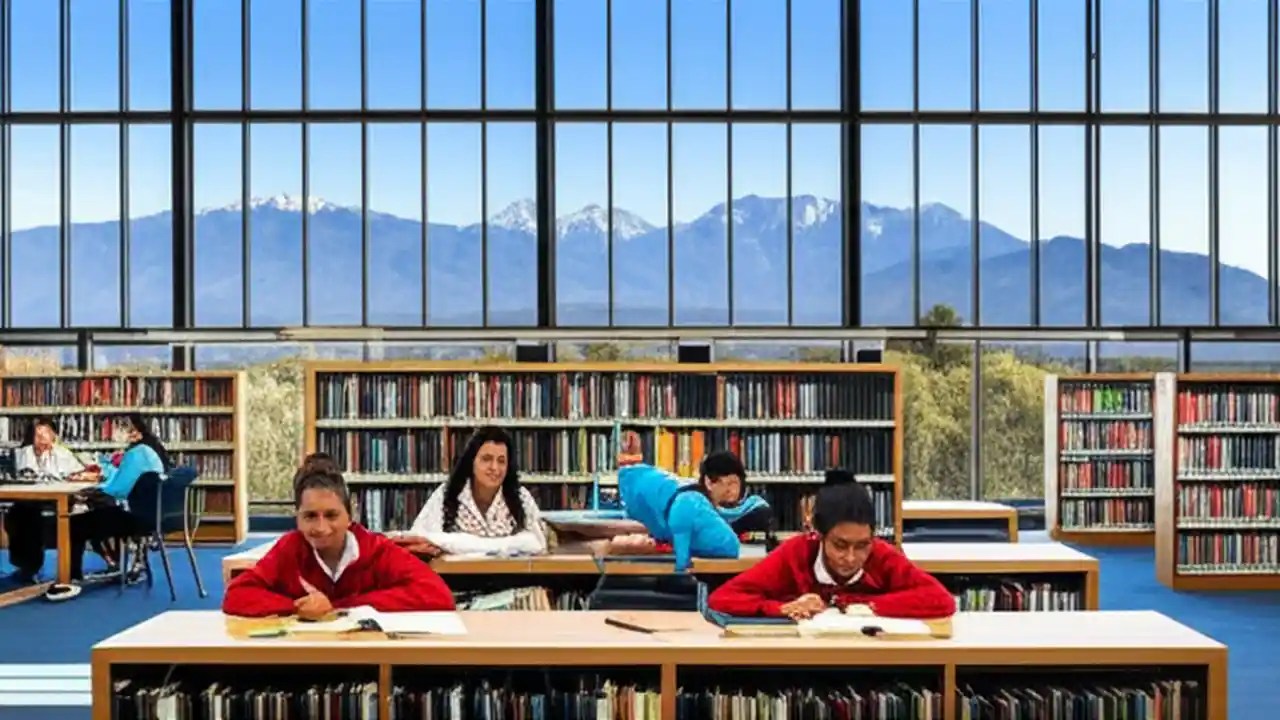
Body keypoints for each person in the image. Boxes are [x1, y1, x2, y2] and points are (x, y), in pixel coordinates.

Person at [707, 476, 956, 620]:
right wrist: (782, 608)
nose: (850, 558)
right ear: (818, 535)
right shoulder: (796, 554)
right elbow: (722, 599)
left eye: (862, 546)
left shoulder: (882, 554)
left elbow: (942, 601)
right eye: (840, 545)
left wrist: (864, 605)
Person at [222, 465, 455, 617]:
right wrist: (295, 607)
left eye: (332, 515)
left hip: (365, 657)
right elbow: (236, 595)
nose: (321, 528)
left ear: (349, 516)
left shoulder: (377, 549)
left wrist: (340, 606)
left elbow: (438, 595)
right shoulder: (290, 548)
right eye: (310, 516)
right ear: (297, 518)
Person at [44, 413, 170, 601]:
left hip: (136, 518)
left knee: (74, 524)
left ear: (132, 432)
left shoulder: (136, 453)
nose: (113, 434)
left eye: (118, 430)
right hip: (151, 514)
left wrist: (93, 485)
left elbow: (117, 489)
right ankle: (106, 564)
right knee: (96, 513)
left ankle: (70, 577)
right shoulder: (150, 449)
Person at [614, 430, 772, 572]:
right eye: (729, 483)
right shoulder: (690, 499)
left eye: (736, 484)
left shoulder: (689, 498)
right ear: (710, 482)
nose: (732, 492)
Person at [394, 427, 548, 557]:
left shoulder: (521, 497)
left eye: (501, 461)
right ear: (472, 462)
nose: (494, 468)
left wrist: (456, 544)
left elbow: (539, 544)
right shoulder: (447, 493)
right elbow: (418, 539)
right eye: (486, 459)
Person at [5, 418, 98, 583]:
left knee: (77, 518)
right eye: (37, 434)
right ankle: (28, 567)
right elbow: (23, 476)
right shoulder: (23, 453)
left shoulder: (63, 453)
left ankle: (72, 571)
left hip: (63, 501)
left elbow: (80, 475)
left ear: (53, 435)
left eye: (46, 433)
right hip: (33, 502)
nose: (41, 438)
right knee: (17, 515)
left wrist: (76, 477)